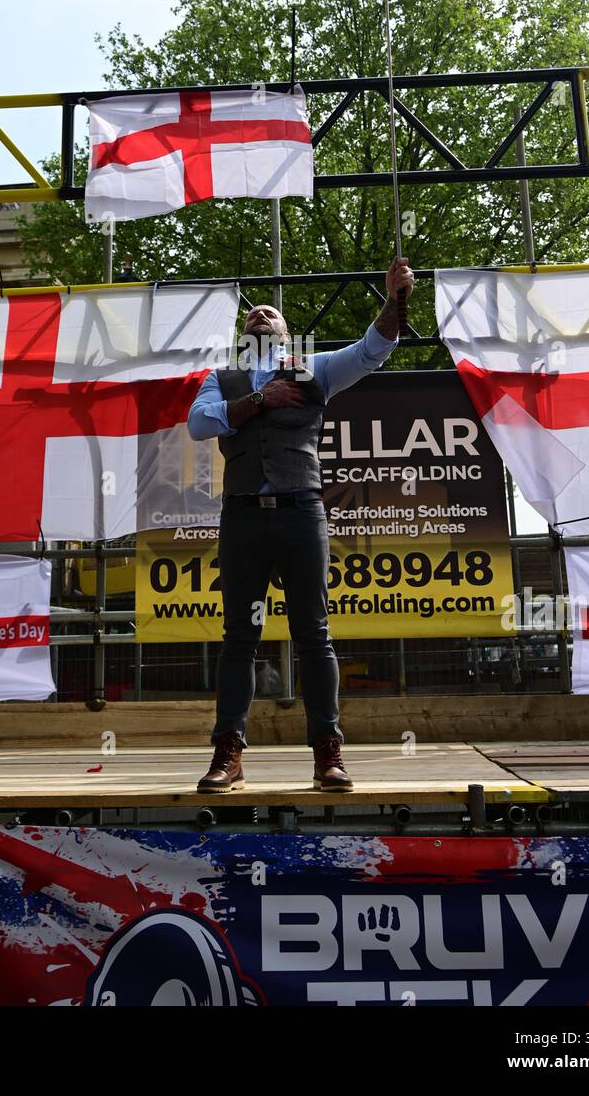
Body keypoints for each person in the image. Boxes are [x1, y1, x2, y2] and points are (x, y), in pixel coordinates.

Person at [187, 257, 414, 792]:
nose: (261, 314)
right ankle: (227, 754)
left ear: (287, 335)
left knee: (313, 634)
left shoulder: (316, 369)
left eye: (272, 312)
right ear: (243, 335)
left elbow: (372, 350)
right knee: (239, 637)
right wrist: (258, 399)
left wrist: (395, 301)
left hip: (300, 511)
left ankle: (327, 754)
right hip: (243, 515)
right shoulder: (220, 378)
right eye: (254, 313)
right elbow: (198, 424)